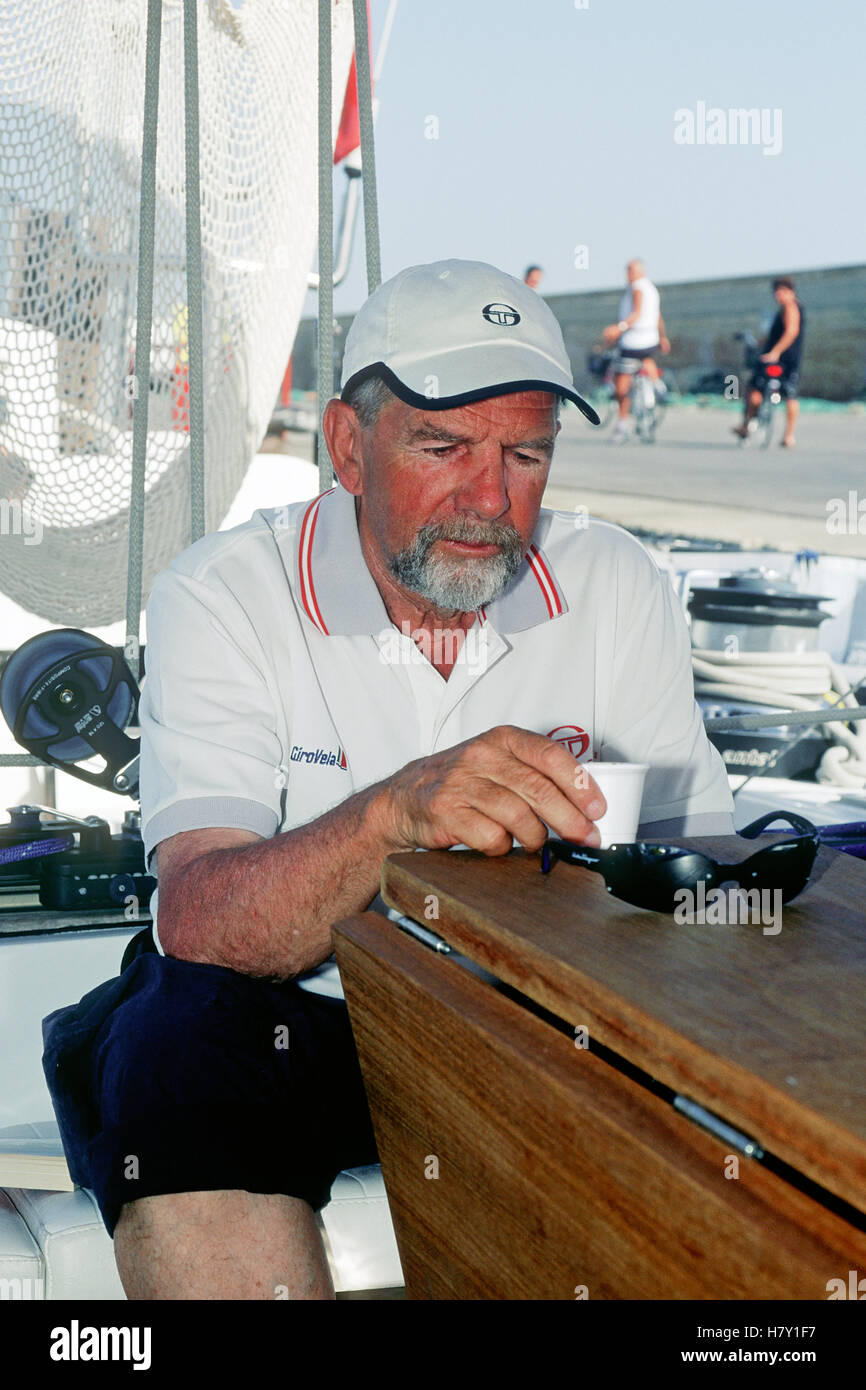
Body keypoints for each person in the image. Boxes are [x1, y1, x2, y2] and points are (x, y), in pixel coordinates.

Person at [42, 259, 734, 1301]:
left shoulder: (615, 582)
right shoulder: (224, 593)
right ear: (347, 446)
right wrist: (395, 815)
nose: (490, 497)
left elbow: (702, 875)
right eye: (443, 446)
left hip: (531, 1022)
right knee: (176, 1042)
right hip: (304, 1022)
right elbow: (198, 916)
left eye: (525, 454)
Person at [602, 259, 670, 443]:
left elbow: (637, 313)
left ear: (639, 271)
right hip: (651, 340)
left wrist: (619, 328)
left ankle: (622, 425)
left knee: (622, 386)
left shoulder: (637, 288)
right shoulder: (652, 289)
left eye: (630, 271)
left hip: (634, 341)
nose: (627, 274)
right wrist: (663, 337)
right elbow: (657, 315)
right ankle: (657, 385)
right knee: (647, 359)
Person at [732, 277, 805, 448]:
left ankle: (748, 426)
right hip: (788, 359)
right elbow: (775, 335)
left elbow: (791, 332)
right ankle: (787, 435)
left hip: (780, 359)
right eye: (776, 292)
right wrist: (761, 343)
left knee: (761, 390)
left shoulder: (790, 307)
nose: (778, 295)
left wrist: (775, 352)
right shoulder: (785, 310)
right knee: (787, 393)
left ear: (791, 292)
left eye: (782, 291)